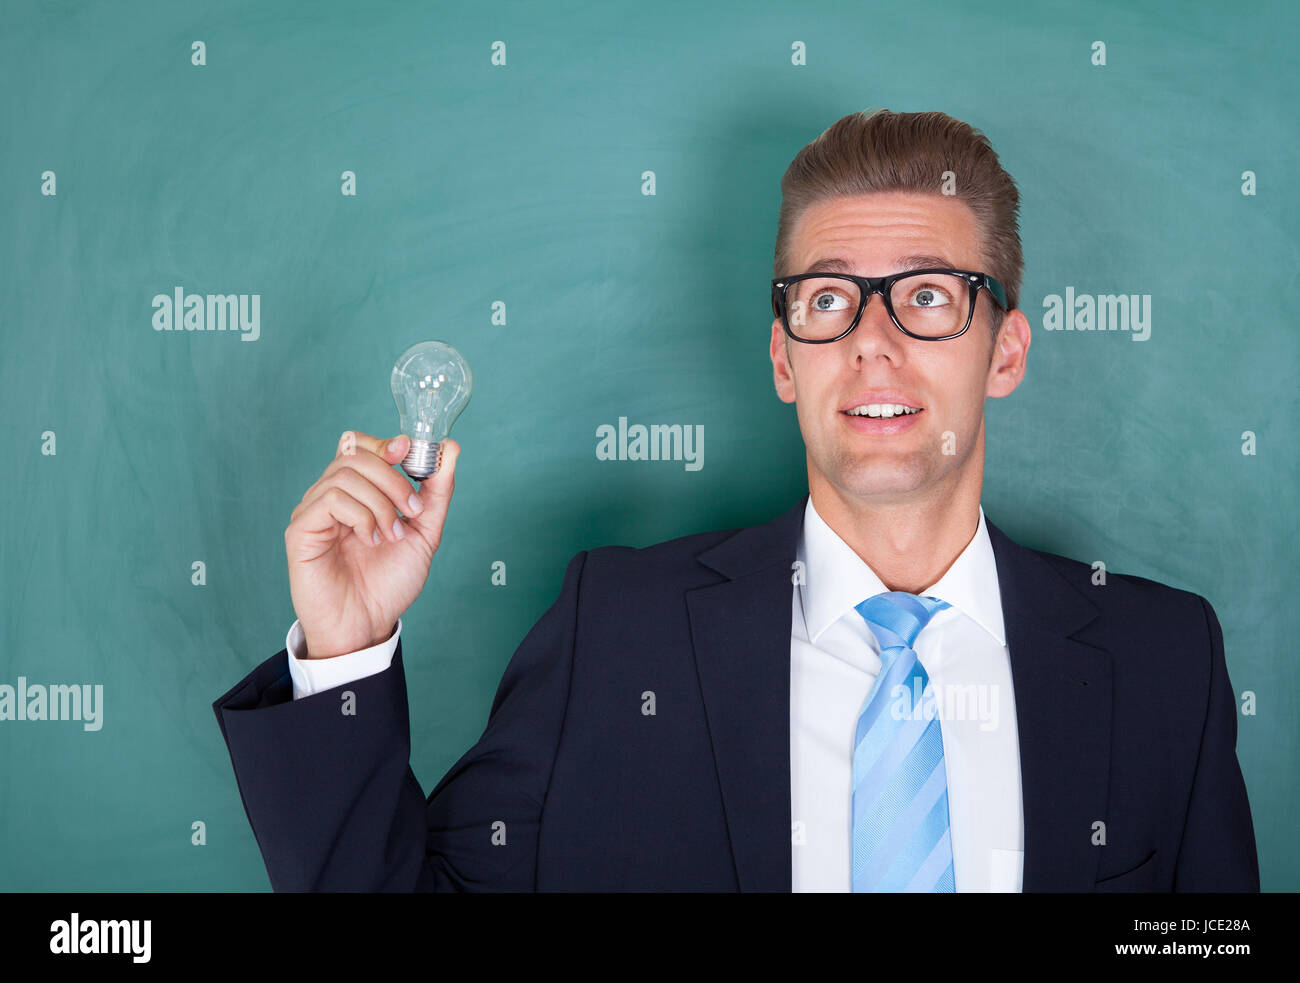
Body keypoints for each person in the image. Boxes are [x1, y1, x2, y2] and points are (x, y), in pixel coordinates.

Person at [212, 108, 1259, 892]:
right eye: (828, 298)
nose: (873, 341)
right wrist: (344, 648)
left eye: (929, 296)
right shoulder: (617, 633)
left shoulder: (1160, 661)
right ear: (781, 357)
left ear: (1006, 350)